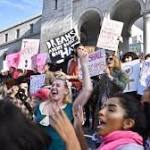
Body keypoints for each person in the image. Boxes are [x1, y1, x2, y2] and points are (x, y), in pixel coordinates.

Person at [34, 46, 93, 150]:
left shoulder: (71, 108)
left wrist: (83, 63)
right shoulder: (40, 106)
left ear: (66, 91)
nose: (53, 87)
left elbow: (87, 89)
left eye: (58, 85)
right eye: (52, 85)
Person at [50, 93, 147, 150]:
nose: (100, 112)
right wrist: (77, 128)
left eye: (111, 110)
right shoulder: (109, 143)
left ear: (128, 123)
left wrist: (71, 139)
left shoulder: (131, 148)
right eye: (102, 108)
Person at [91, 52, 128, 129]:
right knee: (103, 124)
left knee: (113, 124)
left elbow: (122, 86)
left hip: (114, 103)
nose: (108, 60)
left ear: (116, 60)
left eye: (110, 58)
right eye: (107, 59)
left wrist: (110, 77)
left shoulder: (121, 73)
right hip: (102, 104)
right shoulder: (104, 75)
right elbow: (97, 89)